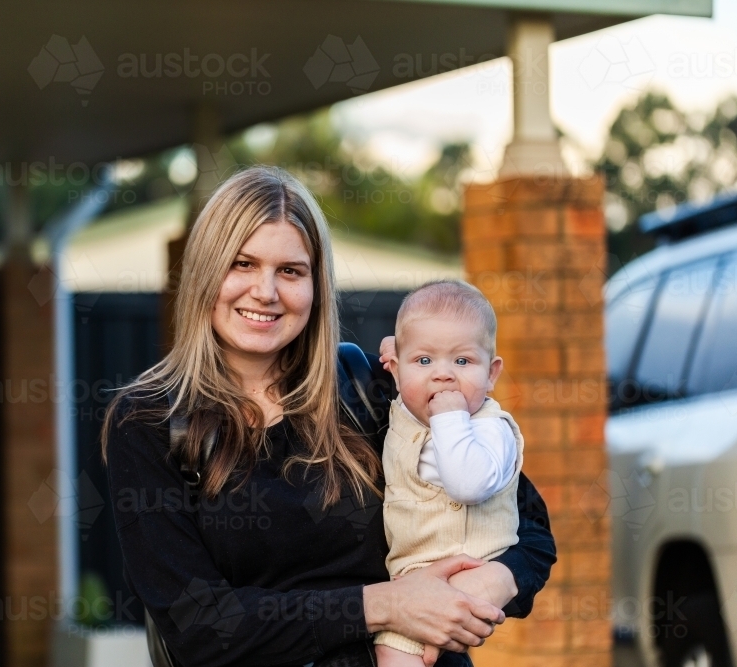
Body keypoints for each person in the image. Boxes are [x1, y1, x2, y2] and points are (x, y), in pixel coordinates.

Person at [101, 166, 556, 667]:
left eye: (290, 271)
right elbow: (203, 627)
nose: (266, 292)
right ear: (206, 271)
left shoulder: (367, 390)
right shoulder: (150, 421)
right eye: (243, 264)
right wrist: (387, 605)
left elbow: (528, 526)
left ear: (316, 285)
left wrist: (478, 588)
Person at [373, 281, 525, 666]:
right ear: (396, 369)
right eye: (424, 361)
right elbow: (412, 360)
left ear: (491, 374)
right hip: (412, 575)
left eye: (462, 362)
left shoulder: (487, 428)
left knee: (394, 652)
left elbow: (468, 485)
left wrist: (451, 418)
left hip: (467, 570)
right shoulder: (408, 407)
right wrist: (400, 350)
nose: (442, 375)